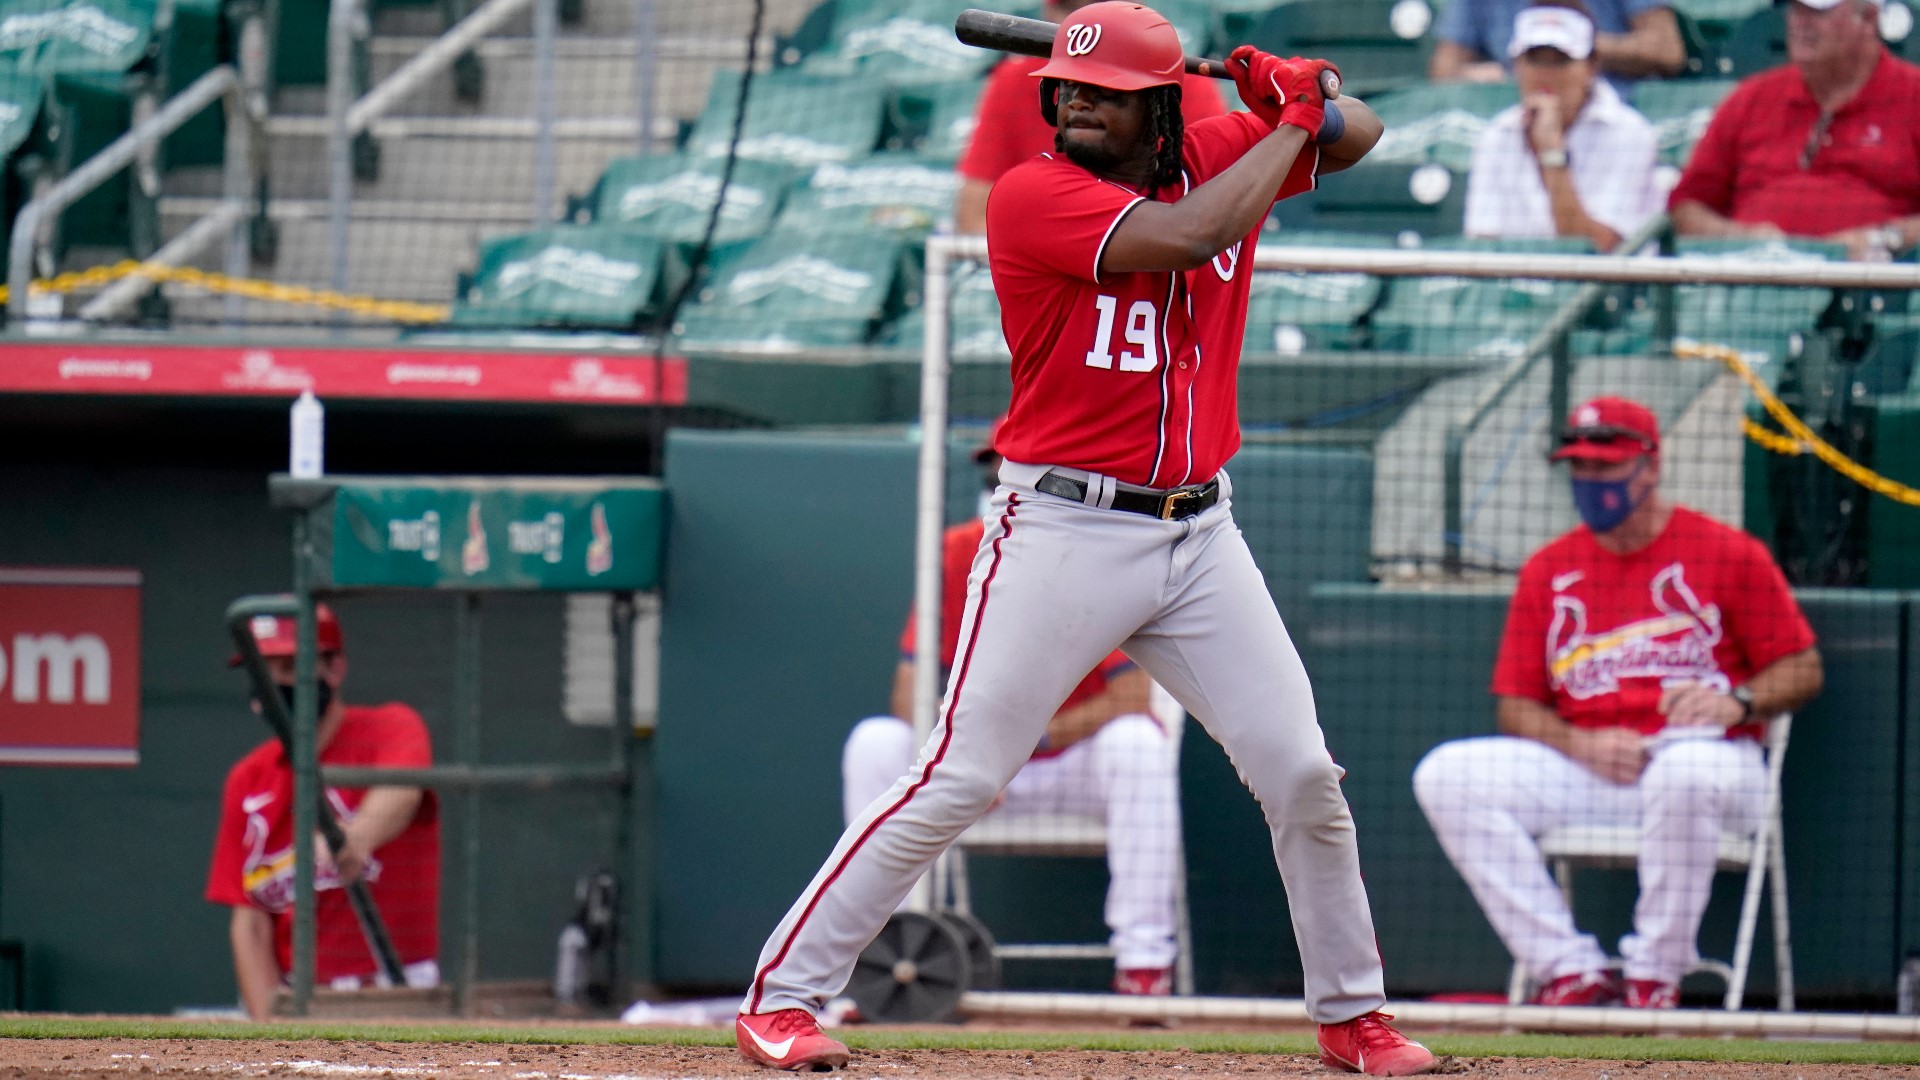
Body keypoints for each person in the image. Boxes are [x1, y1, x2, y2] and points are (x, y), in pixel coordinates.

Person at [738, 5, 1436, 1074]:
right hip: (1065, 524)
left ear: (1161, 106)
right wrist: (1293, 124)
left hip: (1202, 533)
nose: (1078, 108)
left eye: (1108, 94)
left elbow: (1366, 132)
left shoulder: (1210, 146)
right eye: (1069, 92)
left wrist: (1304, 92)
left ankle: (1352, 1016)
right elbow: (1195, 234)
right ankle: (783, 998)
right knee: (958, 775)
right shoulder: (1035, 193)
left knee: (1301, 773)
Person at [1413, 397, 1823, 1009]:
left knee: (1685, 773)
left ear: (1649, 467)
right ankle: (1570, 972)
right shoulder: (1549, 569)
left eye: (1606, 468)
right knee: (1448, 775)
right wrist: (1580, 744)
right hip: (1597, 766)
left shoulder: (1727, 553)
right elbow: (1515, 706)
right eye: (1579, 469)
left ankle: (1654, 977)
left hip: (1710, 769)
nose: (1590, 483)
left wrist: (1736, 702)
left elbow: (1803, 668)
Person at [843, 433, 1183, 996]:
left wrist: (1013, 747)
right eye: (993, 477)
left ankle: (1143, 965)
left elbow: (1132, 697)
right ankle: (887, 952)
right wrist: (965, 755)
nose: (1000, 488)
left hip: (1065, 766)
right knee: (875, 742)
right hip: (974, 766)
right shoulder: (957, 552)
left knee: (1139, 746)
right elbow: (907, 691)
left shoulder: (1100, 556)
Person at [206, 604, 441, 1021]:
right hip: (300, 994)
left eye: (288, 667)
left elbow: (402, 791)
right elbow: (251, 924)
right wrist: (269, 1029)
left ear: (333, 668)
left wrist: (357, 837)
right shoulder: (249, 778)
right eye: (263, 671)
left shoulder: (390, 727)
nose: (273, 684)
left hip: (393, 989)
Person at [1668, 0, 1920, 261]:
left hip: (1877, 287)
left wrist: (1887, 238)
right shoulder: (1750, 98)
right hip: (1754, 282)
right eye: (1796, 10)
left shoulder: (1914, 95)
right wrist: (1738, 237)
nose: (1801, 22)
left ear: (1867, 20)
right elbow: (1686, 208)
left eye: (1817, 13)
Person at [951, 0, 1228, 235]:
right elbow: (974, 218)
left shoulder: (1185, 85)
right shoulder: (1014, 81)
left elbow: (1217, 218)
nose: (1080, 102)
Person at [1463, 0, 1662, 252]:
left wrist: (1552, 156)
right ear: (1516, 66)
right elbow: (1483, 250)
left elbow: (1600, 252)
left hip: (1608, 289)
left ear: (1591, 67)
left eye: (1561, 60)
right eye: (1535, 59)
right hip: (1515, 287)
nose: (1546, 74)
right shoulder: (1496, 136)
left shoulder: (1631, 136)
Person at [1430, 0, 1684, 84]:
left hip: (1610, 116)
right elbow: (1444, 69)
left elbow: (1668, 51)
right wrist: (1486, 75)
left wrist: (1568, 45)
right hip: (1512, 124)